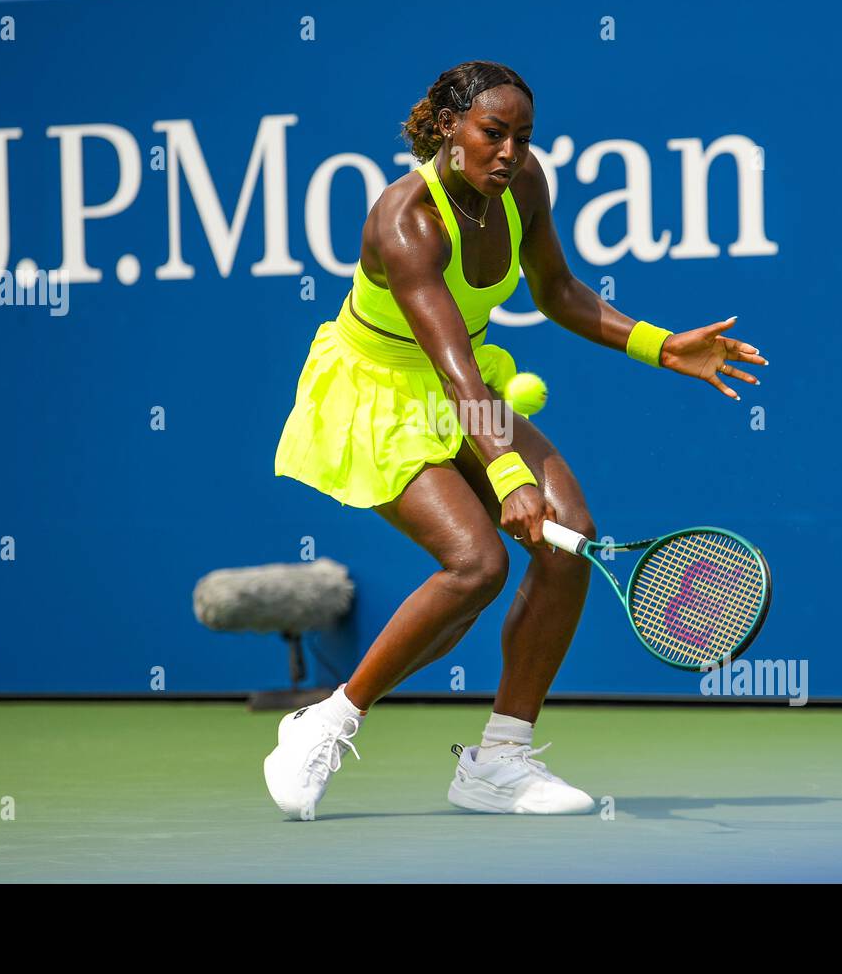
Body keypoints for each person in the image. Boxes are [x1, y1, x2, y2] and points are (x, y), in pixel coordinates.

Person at [265, 60, 766, 820]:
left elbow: (557, 291)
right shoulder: (405, 220)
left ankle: (498, 759)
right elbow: (453, 367)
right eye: (492, 133)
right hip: (384, 392)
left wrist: (664, 345)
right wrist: (507, 477)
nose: (509, 153)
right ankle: (327, 719)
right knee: (476, 563)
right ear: (447, 127)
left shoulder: (521, 186)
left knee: (572, 538)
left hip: (460, 386)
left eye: (522, 138)